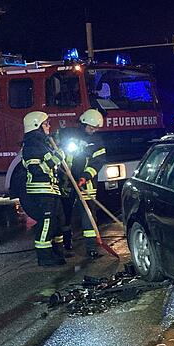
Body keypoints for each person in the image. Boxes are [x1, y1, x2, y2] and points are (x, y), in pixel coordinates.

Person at [57, 108, 107, 258]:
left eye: (96, 128)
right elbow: (56, 149)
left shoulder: (97, 141)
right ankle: (66, 244)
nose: (93, 131)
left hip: (86, 184)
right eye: (91, 128)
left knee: (88, 215)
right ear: (83, 123)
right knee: (65, 213)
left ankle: (91, 248)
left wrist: (85, 177)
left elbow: (98, 162)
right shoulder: (67, 134)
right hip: (66, 180)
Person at [21, 111, 66, 266]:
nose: (48, 126)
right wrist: (56, 159)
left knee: (58, 223)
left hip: (51, 190)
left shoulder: (42, 144)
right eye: (45, 124)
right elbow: (36, 170)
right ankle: (45, 258)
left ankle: (58, 252)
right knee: (46, 224)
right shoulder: (31, 146)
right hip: (41, 192)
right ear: (36, 126)